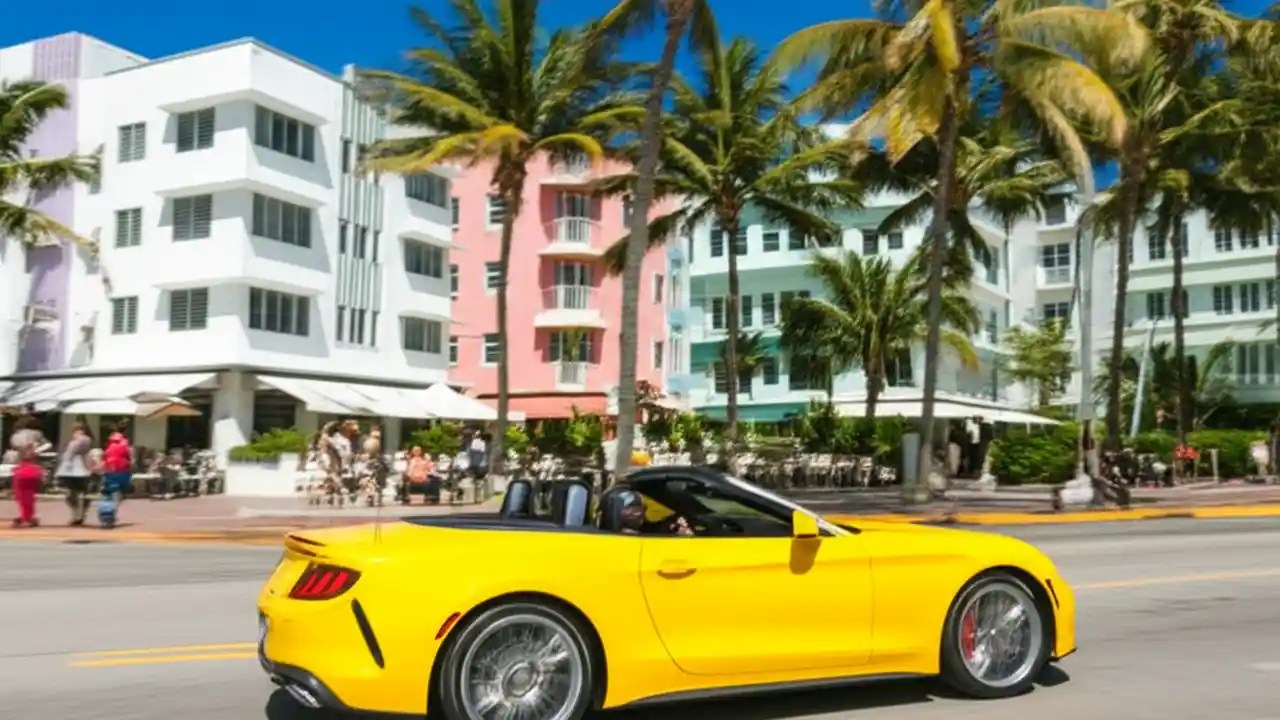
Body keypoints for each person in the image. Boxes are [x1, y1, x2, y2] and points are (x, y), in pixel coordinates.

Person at [57, 424, 94, 526]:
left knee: (72, 494)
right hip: (84, 468)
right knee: (82, 493)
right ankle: (81, 514)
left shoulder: (76, 441)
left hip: (72, 470)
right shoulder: (88, 441)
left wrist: (62, 467)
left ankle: (76, 514)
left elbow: (68, 455)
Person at [10, 430, 44, 528]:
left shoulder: (20, 449)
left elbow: (18, 459)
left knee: (22, 497)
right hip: (32, 472)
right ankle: (28, 516)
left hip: (22, 473)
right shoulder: (34, 450)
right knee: (29, 497)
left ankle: (25, 517)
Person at [100, 431, 134, 527]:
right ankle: (112, 512)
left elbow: (104, 459)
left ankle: (106, 514)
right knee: (119, 493)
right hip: (123, 472)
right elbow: (131, 459)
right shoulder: (125, 446)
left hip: (110, 472)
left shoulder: (109, 447)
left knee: (108, 493)